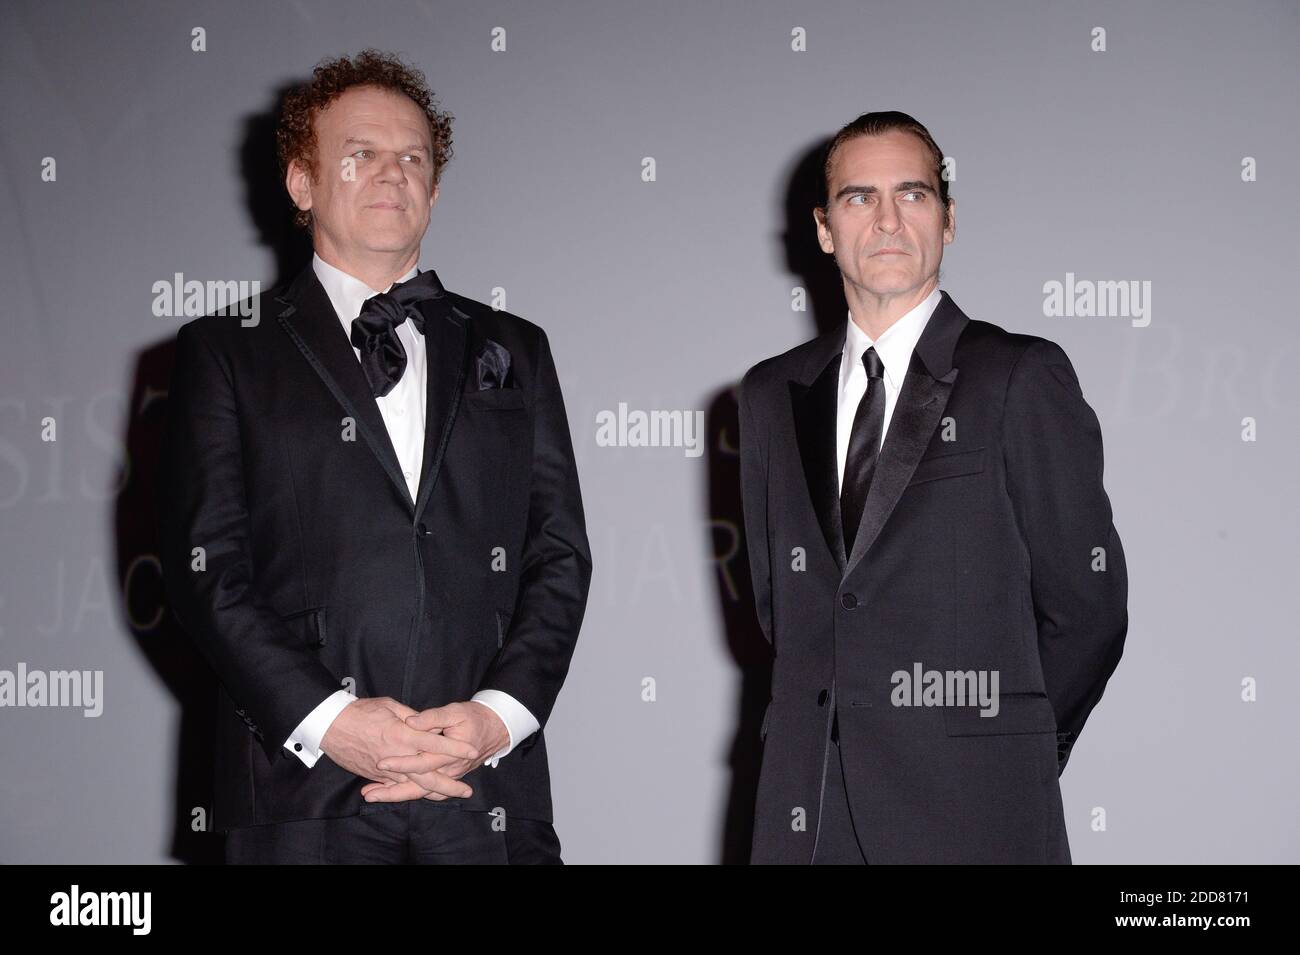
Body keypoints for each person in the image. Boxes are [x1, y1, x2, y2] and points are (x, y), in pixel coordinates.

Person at [158, 50, 591, 863]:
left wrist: (497, 716)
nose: (392, 173)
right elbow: (207, 568)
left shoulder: (516, 348)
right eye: (360, 154)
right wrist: (334, 723)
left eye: (413, 158)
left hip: (486, 797)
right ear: (302, 183)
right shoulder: (225, 352)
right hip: (303, 800)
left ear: (434, 186)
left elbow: (559, 555)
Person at [738, 111, 1127, 863]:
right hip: (806, 815)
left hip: (975, 813)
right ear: (824, 228)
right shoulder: (768, 395)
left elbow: (1090, 609)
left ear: (948, 221)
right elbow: (782, 608)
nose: (886, 219)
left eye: (912, 195)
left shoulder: (1019, 375)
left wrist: (1007, 743)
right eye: (859, 198)